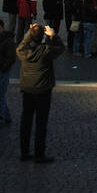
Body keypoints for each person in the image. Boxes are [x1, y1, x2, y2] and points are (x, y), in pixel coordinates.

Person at [16, 22, 65, 163]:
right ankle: (39, 153)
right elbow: (61, 48)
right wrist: (53, 35)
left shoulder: (23, 52)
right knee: (41, 123)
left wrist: (29, 33)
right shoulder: (46, 51)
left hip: (27, 89)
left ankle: (24, 152)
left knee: (26, 121)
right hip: (43, 90)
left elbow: (21, 45)